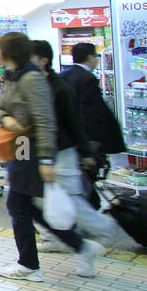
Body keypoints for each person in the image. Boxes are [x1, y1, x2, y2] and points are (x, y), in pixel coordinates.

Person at [0, 32, 103, 282]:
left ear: (9, 52)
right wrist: (6, 118)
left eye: (1, 49)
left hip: (31, 149)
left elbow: (45, 121)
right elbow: (0, 109)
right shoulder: (14, 76)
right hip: (19, 146)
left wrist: (44, 160)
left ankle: (30, 264)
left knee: (18, 205)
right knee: (25, 206)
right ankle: (80, 247)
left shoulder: (31, 79)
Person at [31, 41, 117, 250]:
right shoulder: (40, 85)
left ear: (43, 61)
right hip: (45, 152)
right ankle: (59, 236)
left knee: (71, 199)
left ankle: (103, 228)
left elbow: (75, 120)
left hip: (63, 152)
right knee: (39, 198)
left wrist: (86, 152)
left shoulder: (59, 86)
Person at [60, 42, 126, 166]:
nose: (97, 60)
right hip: (87, 137)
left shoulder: (63, 75)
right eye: (96, 56)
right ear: (90, 57)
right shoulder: (88, 78)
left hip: (68, 136)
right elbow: (93, 112)